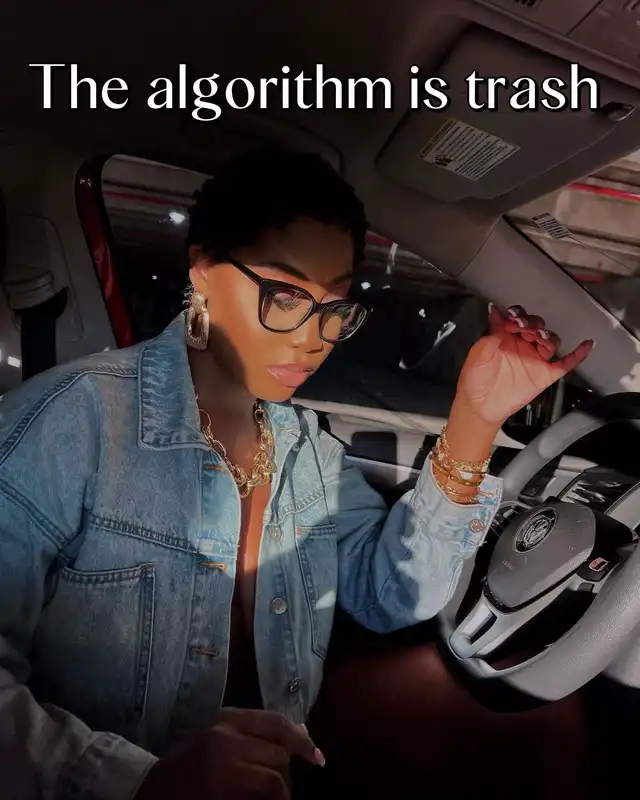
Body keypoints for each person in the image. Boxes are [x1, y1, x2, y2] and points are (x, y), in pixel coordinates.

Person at [0, 146, 593, 800]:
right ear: (203, 272)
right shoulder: (70, 423)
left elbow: (391, 593)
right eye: (284, 295)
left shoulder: (307, 450)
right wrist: (143, 782)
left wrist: (474, 422)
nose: (314, 337)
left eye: (334, 307)